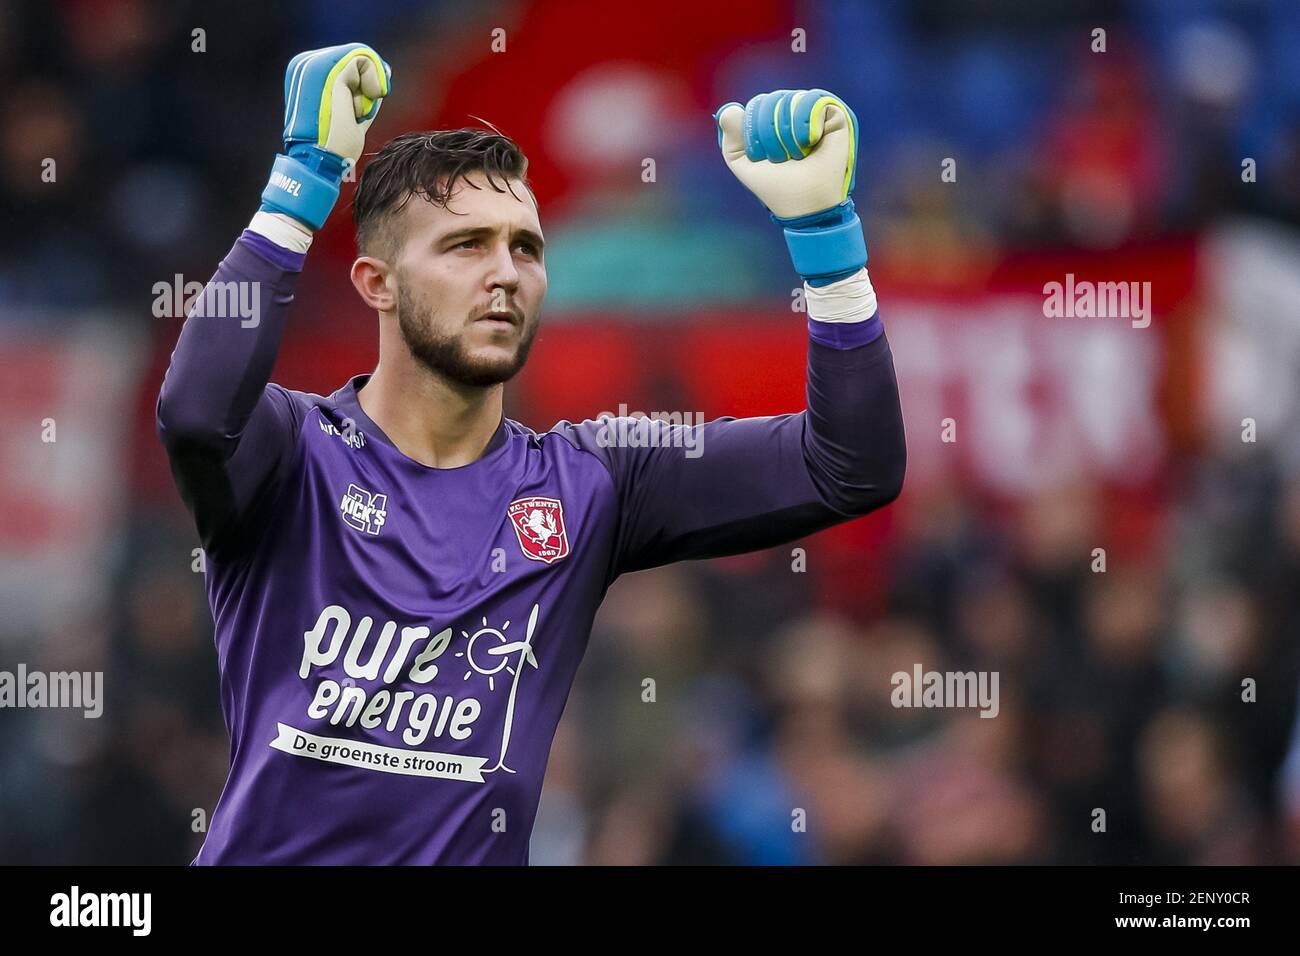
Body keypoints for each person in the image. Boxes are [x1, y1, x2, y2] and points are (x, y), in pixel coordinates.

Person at [156, 44, 906, 864]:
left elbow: (848, 464)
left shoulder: (591, 480)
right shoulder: (294, 454)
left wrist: (826, 240)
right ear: (377, 283)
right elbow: (195, 414)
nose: (506, 274)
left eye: (527, 247)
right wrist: (298, 189)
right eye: (466, 246)